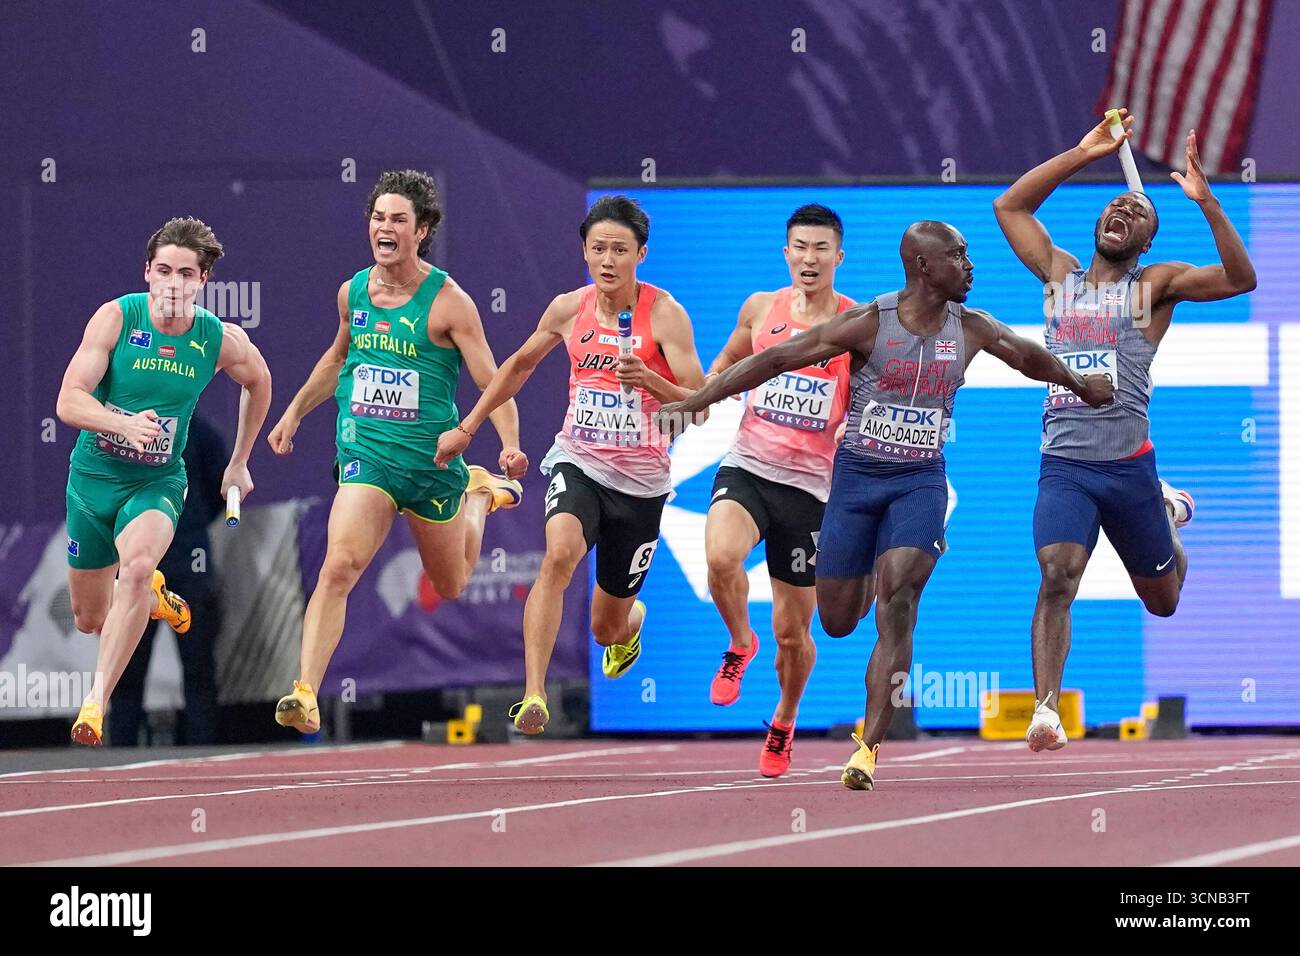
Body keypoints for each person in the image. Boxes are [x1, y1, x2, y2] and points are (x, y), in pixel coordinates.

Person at [659, 220, 1112, 790]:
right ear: (923, 267)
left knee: (897, 603)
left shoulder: (971, 327)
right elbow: (776, 360)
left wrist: (1080, 383)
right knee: (839, 620)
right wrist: (699, 397)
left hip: (919, 482)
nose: (970, 265)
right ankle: (876, 559)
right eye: (958, 255)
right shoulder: (868, 323)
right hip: (855, 481)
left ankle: (866, 750)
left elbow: (1029, 358)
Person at [993, 112, 1256, 751]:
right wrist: (1084, 152)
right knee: (1057, 574)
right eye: (1115, 206)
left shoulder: (1155, 286)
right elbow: (1010, 207)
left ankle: (1164, 512)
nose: (1122, 213)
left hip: (1129, 466)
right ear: (1098, 224)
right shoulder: (1060, 277)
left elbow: (1240, 278)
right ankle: (1046, 710)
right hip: (1065, 465)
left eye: (1137, 214)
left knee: (1161, 601)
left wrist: (1208, 203)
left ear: (1145, 243)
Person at [435, 195, 706, 735]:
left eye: (620, 251)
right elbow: (516, 367)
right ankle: (534, 695)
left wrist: (648, 380)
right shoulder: (568, 308)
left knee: (606, 628)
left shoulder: (666, 314)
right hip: (578, 460)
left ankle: (632, 621)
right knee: (558, 556)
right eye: (598, 249)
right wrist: (468, 428)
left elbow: (698, 403)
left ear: (641, 254)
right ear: (584, 251)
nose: (608, 261)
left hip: (642, 483)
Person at [268, 169, 527, 735]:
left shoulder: (451, 303)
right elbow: (338, 358)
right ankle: (306, 691)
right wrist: (293, 412)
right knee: (339, 565)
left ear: (422, 230)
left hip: (431, 467)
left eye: (397, 220)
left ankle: (478, 497)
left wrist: (509, 443)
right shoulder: (353, 291)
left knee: (453, 583)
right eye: (378, 218)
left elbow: (494, 379)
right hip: (368, 457)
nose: (384, 229)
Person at [57, 217, 272, 746]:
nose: (173, 284)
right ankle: (155, 596)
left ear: (202, 283)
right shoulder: (115, 319)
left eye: (185, 274)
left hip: (156, 482)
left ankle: (95, 703)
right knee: (89, 618)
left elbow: (260, 383)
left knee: (134, 569)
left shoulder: (218, 338)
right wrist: (122, 423)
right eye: (164, 271)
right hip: (93, 479)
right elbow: (68, 401)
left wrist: (239, 461)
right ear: (147, 273)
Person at [703, 204, 855, 777]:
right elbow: (728, 360)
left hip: (811, 492)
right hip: (749, 468)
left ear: (838, 257)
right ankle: (739, 643)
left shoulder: (852, 322)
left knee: (793, 634)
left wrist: (851, 423)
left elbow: (870, 393)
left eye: (820, 249)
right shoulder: (759, 308)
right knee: (720, 557)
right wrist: (703, 395)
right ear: (786, 252)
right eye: (800, 247)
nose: (809, 258)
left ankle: (785, 720)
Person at [109, 413, 227, 746]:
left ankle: (203, 755)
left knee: (198, 665)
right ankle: (118, 756)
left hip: (189, 562)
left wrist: (190, 522)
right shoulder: (121, 429)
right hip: (136, 564)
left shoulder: (199, 431)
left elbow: (219, 489)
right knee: (126, 665)